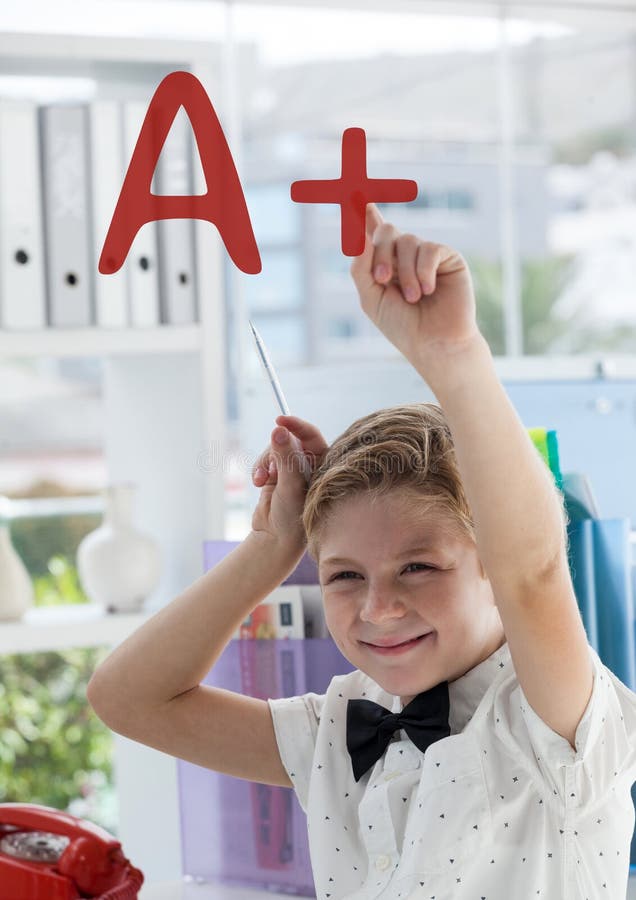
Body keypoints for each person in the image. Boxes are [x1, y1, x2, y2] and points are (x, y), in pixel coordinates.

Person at [87, 204, 636, 899]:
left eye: (418, 566)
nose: (379, 608)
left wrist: (454, 356)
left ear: (489, 561)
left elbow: (534, 572)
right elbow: (129, 699)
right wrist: (271, 547)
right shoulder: (338, 726)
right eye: (345, 575)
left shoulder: (553, 717)